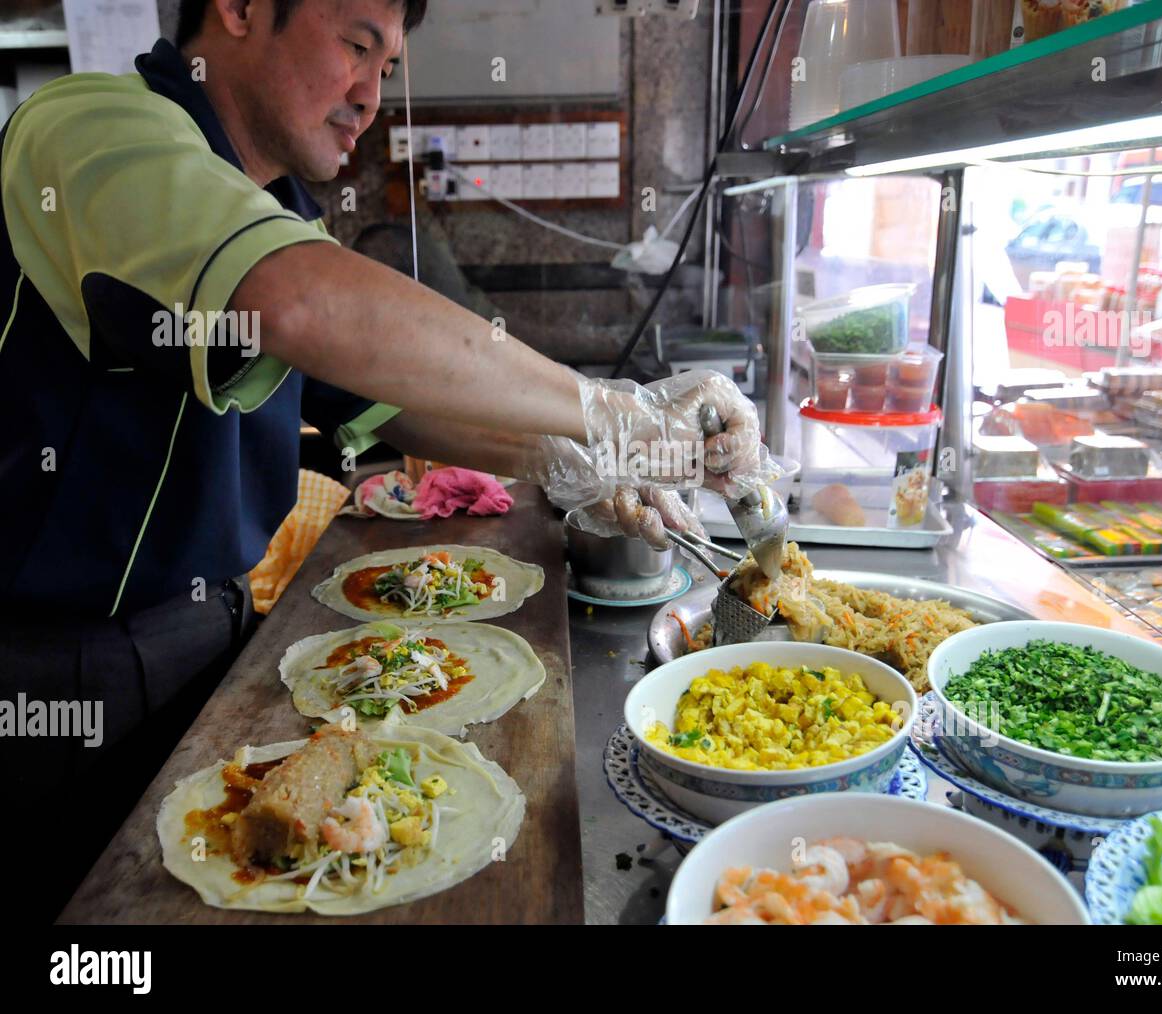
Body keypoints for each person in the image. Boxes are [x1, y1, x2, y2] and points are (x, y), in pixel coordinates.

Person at [0, 0, 768, 920]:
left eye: (387, 65)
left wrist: (581, 461)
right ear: (240, 10)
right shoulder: (92, 126)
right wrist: (611, 410)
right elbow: (300, 305)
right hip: (55, 677)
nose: (369, 94)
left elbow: (407, 406)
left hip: (211, 640)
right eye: (355, 44)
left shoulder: (274, 212)